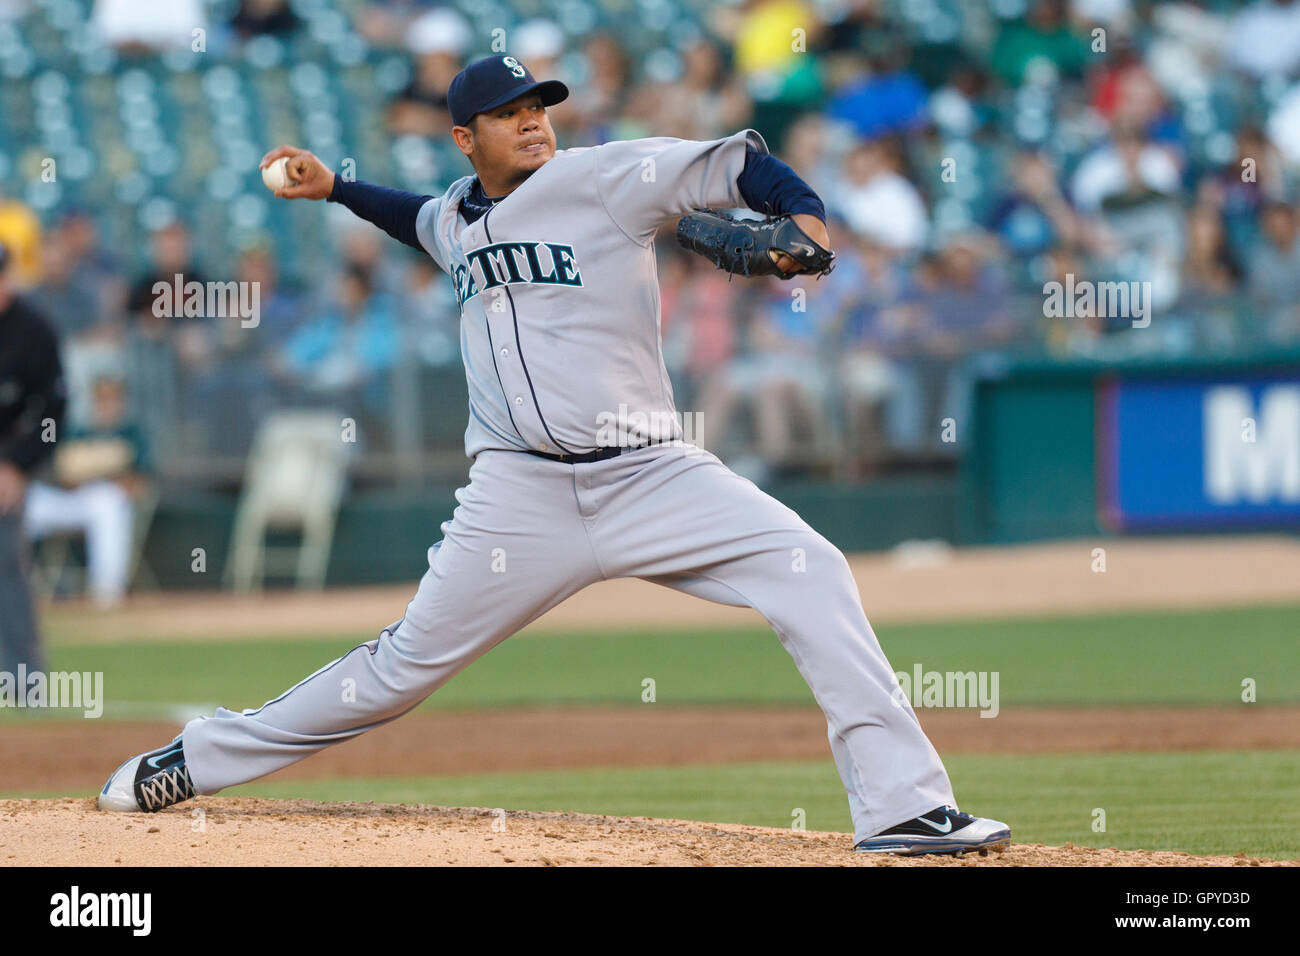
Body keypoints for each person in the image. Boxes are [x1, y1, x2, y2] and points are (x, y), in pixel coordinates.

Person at [97, 56, 1010, 856]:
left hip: (651, 473)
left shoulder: (606, 176)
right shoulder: (455, 218)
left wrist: (805, 226)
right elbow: (413, 217)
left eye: (539, 106)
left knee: (811, 569)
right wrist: (335, 186)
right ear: (465, 139)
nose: (534, 121)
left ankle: (903, 807)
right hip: (518, 496)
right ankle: (195, 758)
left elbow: (742, 165)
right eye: (509, 113)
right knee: (398, 670)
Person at [23, 375, 150, 609]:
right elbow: (61, 474)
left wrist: (106, 478)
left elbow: (139, 481)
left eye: (112, 399)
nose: (107, 405)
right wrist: (80, 477)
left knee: (108, 501)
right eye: (101, 399)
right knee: (27, 500)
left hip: (107, 504)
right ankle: (19, 584)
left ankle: (106, 592)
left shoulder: (133, 434)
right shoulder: (78, 432)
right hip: (72, 503)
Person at [0, 243, 66, 674]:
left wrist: (17, 466)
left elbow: (54, 411)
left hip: (8, 458)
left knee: (7, 566)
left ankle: (23, 679)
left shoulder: (33, 330)